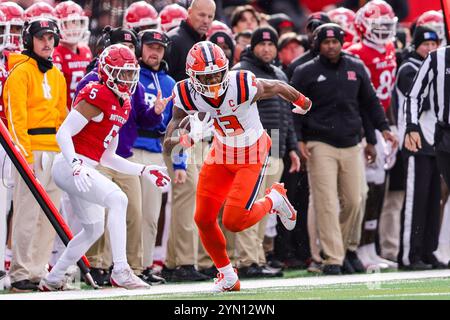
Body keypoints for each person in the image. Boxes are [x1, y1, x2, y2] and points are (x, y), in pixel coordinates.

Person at [163, 41, 312, 292]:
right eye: (205, 77)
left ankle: (274, 199)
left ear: (226, 70)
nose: (212, 82)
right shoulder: (186, 92)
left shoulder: (241, 83)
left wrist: (303, 102)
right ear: (192, 77)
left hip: (252, 153)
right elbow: (169, 137)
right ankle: (227, 275)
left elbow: (277, 86)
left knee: (233, 221)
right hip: (220, 153)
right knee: (203, 218)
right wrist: (181, 139)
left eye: (217, 75)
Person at [38, 44, 172, 291]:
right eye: (121, 73)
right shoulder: (97, 93)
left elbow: (109, 157)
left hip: (85, 166)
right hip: (70, 165)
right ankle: (121, 270)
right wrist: (75, 164)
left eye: (131, 73)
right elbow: (64, 133)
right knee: (118, 199)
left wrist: (143, 170)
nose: (127, 79)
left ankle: (54, 278)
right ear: (107, 73)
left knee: (93, 228)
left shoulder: (125, 103)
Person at [292, 23, 397, 275]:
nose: (331, 46)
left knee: (356, 198)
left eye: (335, 41)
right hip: (319, 142)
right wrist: (297, 140)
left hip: (352, 141)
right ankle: (333, 258)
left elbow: (369, 104)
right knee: (326, 202)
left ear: (342, 43)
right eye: (326, 42)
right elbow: (293, 110)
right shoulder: (304, 72)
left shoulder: (356, 67)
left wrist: (379, 132)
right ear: (317, 44)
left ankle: (349, 248)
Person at [4, 18, 67, 292]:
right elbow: (15, 117)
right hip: (31, 150)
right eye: (42, 38)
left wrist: (67, 152)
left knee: (48, 217)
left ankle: (39, 268)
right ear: (29, 40)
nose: (47, 43)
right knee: (27, 214)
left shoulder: (57, 75)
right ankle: (20, 272)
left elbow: (62, 117)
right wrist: (24, 155)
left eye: (51, 38)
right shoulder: (20, 72)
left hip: (54, 151)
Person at [232, 26, 300, 278]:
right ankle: (248, 261)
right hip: (251, 148)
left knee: (262, 208)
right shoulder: (241, 73)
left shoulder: (279, 73)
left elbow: (286, 115)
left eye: (271, 44)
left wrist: (291, 147)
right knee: (249, 207)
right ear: (253, 46)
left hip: (276, 148)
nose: (267, 48)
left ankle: (257, 258)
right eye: (262, 44)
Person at [162, 0, 216, 282]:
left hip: (196, 131)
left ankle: (173, 262)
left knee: (191, 195)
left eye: (210, 16)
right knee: (188, 194)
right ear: (188, 14)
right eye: (201, 14)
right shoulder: (176, 42)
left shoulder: (199, 44)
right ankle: (183, 263)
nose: (206, 20)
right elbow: (171, 89)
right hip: (180, 130)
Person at [346, 0, 399, 269]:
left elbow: (388, 95)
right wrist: (372, 135)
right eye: (378, 26)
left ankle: (369, 247)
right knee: (366, 190)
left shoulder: (390, 47)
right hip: (365, 126)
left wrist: (389, 128)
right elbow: (364, 99)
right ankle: (359, 247)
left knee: (379, 188)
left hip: (381, 125)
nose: (383, 31)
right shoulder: (356, 52)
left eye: (386, 26)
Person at [132, 29, 179, 284]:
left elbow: (177, 125)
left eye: (159, 49)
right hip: (128, 151)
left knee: (150, 214)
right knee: (129, 212)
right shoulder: (130, 74)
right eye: (150, 47)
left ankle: (145, 265)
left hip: (155, 150)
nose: (154, 52)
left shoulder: (171, 84)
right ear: (141, 48)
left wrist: (179, 161)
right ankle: (118, 264)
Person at [401, 27, 450, 270]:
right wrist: (411, 126)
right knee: (424, 197)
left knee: (435, 199)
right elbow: (413, 96)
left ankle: (430, 249)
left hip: (435, 137)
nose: (429, 47)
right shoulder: (436, 59)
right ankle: (413, 253)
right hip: (441, 136)